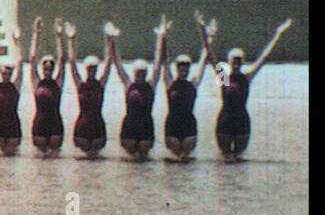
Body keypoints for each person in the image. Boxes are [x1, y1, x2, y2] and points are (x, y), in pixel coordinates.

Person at [196, 13, 292, 162]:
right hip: (225, 121)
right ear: (228, 61)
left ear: (242, 62)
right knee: (225, 159)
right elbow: (208, 53)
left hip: (242, 121)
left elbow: (264, 58)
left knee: (239, 160)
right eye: (233, 61)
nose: (236, 63)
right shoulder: (223, 77)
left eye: (239, 61)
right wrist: (202, 29)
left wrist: (278, 34)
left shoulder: (247, 77)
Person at [107, 18, 166, 160]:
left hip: (146, 126)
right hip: (130, 126)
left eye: (143, 73)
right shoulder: (128, 85)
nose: (140, 75)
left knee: (144, 160)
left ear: (146, 74)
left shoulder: (150, 85)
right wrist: (112, 40)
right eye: (137, 73)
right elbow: (117, 63)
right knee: (130, 162)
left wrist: (161, 37)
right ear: (133, 73)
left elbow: (159, 63)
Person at [161, 17, 213, 162]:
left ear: (189, 69)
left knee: (186, 161)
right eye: (181, 69)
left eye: (186, 69)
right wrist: (164, 36)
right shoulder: (170, 83)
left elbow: (205, 56)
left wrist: (205, 33)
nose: (183, 71)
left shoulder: (193, 83)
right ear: (177, 69)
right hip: (172, 124)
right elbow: (164, 60)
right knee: (174, 161)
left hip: (189, 124)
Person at [65, 22, 113, 158]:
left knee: (96, 159)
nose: (91, 70)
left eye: (94, 68)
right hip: (82, 126)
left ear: (96, 69)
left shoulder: (101, 83)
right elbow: (72, 63)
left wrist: (108, 40)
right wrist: (71, 40)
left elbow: (109, 63)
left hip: (98, 126)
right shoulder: (80, 84)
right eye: (89, 68)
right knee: (81, 162)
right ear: (85, 69)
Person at [28, 17, 66, 156]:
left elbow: (62, 59)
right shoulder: (36, 83)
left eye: (51, 68)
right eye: (46, 68)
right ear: (42, 68)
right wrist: (36, 34)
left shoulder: (58, 83)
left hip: (55, 125)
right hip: (39, 125)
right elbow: (32, 59)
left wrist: (59, 36)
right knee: (39, 160)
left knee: (55, 159)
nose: (48, 70)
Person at [0, 27, 25, 156]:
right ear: (0, 73)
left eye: (9, 73)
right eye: (4, 73)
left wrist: (17, 42)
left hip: (13, 124)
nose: (6, 75)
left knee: (12, 158)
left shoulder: (16, 86)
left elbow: (20, 62)